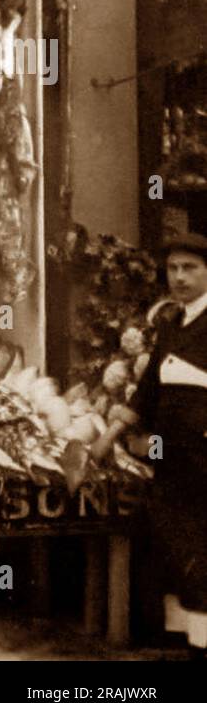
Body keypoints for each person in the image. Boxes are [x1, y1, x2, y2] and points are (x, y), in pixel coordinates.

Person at [119, 231, 207, 653]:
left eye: (190, 268)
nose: (179, 277)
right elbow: (149, 391)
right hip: (170, 461)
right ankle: (182, 642)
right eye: (173, 268)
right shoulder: (172, 325)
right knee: (174, 550)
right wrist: (115, 437)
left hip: (204, 461)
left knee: (200, 555)